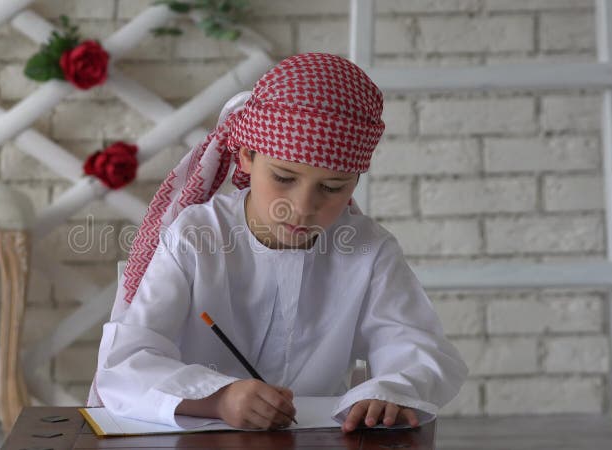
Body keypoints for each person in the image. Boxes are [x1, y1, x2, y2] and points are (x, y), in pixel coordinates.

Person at [86, 53, 468, 433]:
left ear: (355, 181)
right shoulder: (196, 236)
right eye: (284, 178)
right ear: (247, 157)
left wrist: (391, 391)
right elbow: (125, 362)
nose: (302, 208)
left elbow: (416, 347)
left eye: (332, 188)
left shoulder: (369, 249)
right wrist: (219, 399)